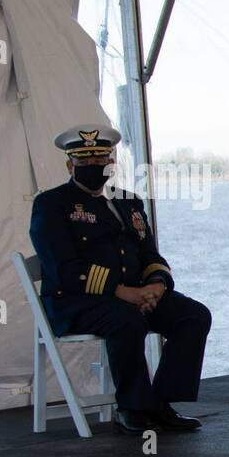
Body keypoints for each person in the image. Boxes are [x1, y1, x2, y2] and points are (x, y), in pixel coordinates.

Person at [29, 125, 211, 434]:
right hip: (77, 302)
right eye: (85, 162)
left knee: (193, 315)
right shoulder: (52, 205)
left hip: (136, 295)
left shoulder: (129, 202)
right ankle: (133, 406)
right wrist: (121, 291)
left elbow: (151, 254)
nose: (94, 167)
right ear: (69, 165)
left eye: (100, 160)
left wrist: (156, 285)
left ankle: (161, 401)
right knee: (127, 320)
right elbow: (64, 270)